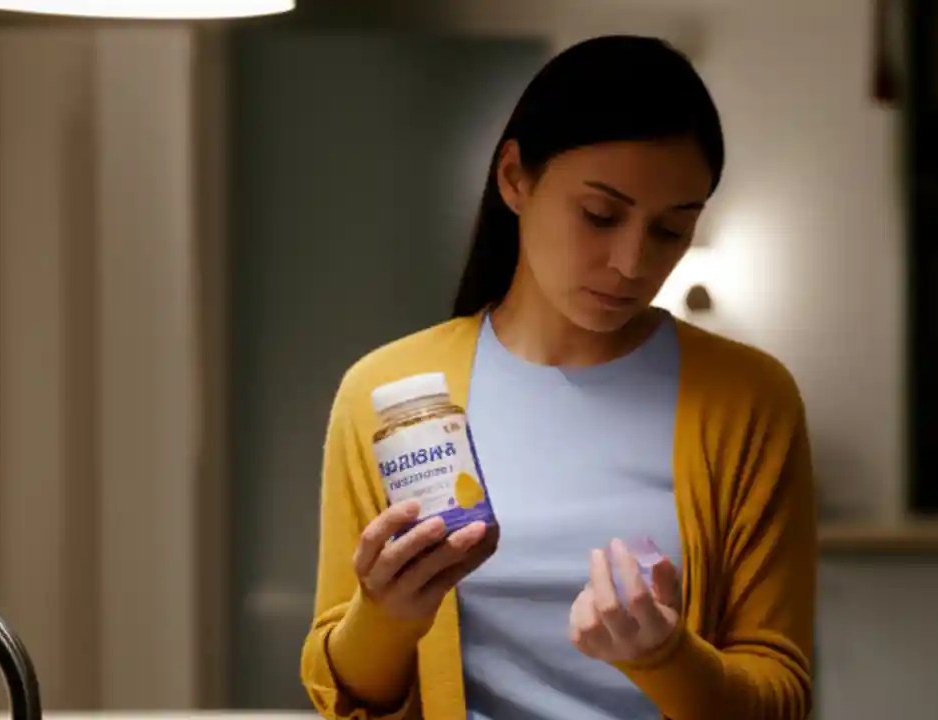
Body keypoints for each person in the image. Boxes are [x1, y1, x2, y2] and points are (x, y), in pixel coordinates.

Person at [300, 35, 816, 720]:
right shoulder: (392, 394)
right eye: (600, 216)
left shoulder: (749, 400)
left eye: (670, 230)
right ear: (514, 177)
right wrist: (385, 616)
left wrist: (665, 658)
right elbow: (344, 696)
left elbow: (782, 695)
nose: (631, 262)